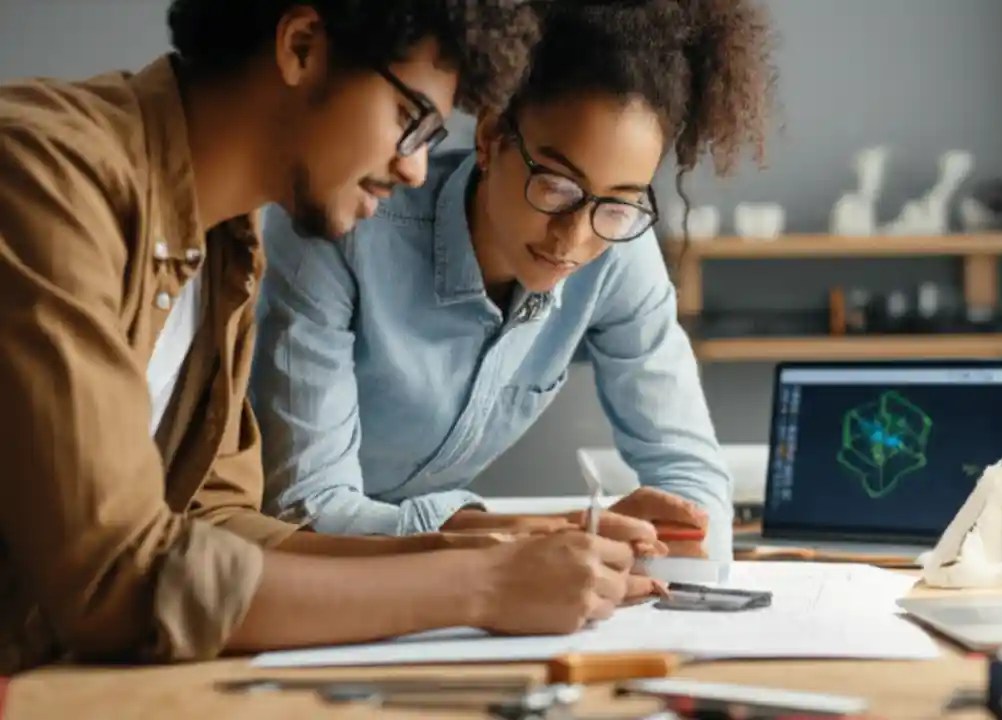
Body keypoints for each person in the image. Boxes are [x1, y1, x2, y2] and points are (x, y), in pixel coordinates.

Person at [0, 0, 651, 674]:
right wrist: (482, 588)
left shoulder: (227, 243)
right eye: (411, 121)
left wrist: (481, 552)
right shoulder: (44, 176)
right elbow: (118, 578)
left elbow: (216, 524)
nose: (416, 171)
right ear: (302, 46)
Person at [251, 0, 778, 562]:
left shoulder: (619, 250)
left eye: (619, 205)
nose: (574, 236)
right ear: (492, 135)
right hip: (298, 575)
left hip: (454, 573)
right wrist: (529, 532)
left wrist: (673, 548)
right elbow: (308, 512)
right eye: (555, 187)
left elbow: (691, 478)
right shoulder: (344, 223)